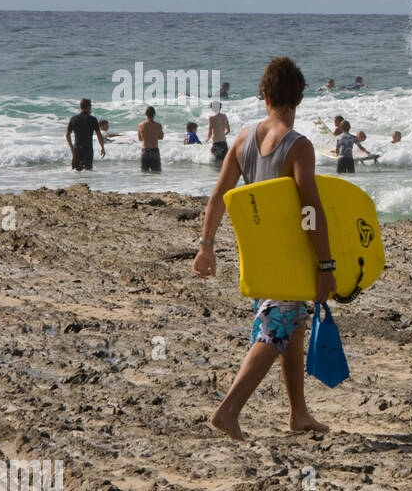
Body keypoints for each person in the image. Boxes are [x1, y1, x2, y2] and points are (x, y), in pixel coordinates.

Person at [192, 56, 335, 442]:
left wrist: (206, 246)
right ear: (300, 98)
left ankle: (299, 412)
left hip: (256, 256)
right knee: (274, 333)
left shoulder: (242, 138)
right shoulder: (298, 146)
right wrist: (325, 264)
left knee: (293, 325)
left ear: (264, 95)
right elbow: (310, 208)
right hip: (290, 257)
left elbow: (219, 196)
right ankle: (228, 410)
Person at [66, 98, 105, 171]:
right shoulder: (93, 119)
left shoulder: (73, 119)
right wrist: (102, 147)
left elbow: (67, 135)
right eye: (90, 107)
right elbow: (99, 135)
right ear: (88, 107)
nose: (91, 109)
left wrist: (71, 147)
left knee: (75, 172)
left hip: (77, 149)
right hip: (88, 150)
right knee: (88, 172)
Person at [138, 106, 164, 172]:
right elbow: (161, 137)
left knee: (144, 174)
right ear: (154, 114)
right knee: (156, 174)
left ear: (145, 114)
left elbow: (140, 139)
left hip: (145, 151)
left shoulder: (141, 125)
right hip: (154, 151)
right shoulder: (158, 125)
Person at [206, 100, 231, 168]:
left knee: (215, 165)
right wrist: (222, 135)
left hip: (216, 144)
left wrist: (207, 139)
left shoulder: (211, 118)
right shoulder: (224, 116)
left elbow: (210, 132)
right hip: (224, 144)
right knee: (224, 164)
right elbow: (228, 130)